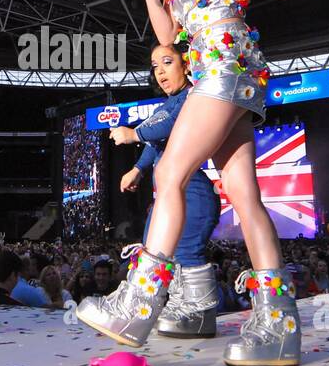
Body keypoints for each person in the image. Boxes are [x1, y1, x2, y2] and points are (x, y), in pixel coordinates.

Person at [94, 0, 319, 366]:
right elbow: (168, 37)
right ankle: (278, 328)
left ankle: (137, 304)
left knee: (169, 174)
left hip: (225, 70)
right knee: (244, 196)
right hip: (222, 76)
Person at [77, 40, 222, 343]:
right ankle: (173, 311)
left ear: (187, 63)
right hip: (170, 195)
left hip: (191, 192)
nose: (159, 72)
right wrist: (139, 169)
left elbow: (164, 126)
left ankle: (199, 314)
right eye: (155, 66)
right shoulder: (168, 103)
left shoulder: (193, 96)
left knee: (185, 251)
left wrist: (134, 133)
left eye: (167, 62)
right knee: (153, 249)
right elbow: (157, 141)